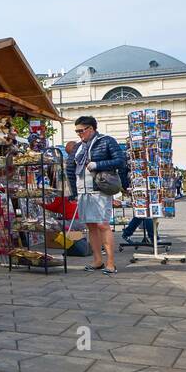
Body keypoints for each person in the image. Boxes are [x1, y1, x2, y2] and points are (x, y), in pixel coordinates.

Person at [65, 115, 128, 274]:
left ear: (91, 128)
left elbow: (120, 161)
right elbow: (70, 170)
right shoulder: (78, 147)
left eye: (81, 130)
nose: (79, 134)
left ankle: (111, 263)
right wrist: (73, 192)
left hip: (99, 189)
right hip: (82, 191)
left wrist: (97, 164)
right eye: (77, 131)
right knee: (91, 226)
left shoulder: (106, 140)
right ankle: (97, 260)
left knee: (103, 225)